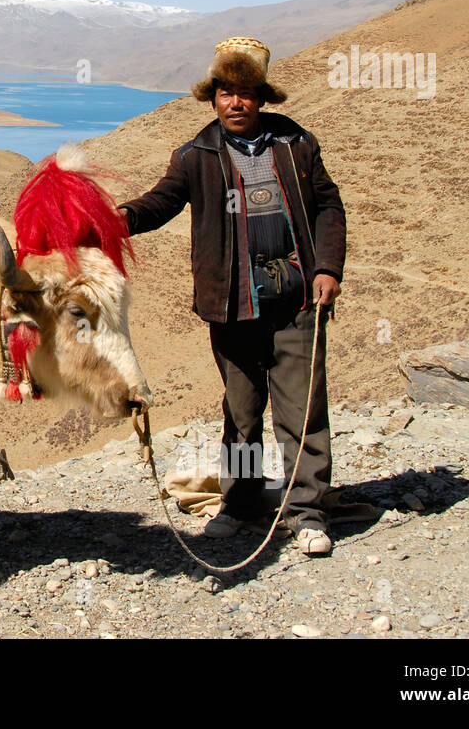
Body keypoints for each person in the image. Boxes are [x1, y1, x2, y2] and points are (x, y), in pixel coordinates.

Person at [118, 37, 346, 555]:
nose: (235, 103)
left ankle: (306, 512)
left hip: (296, 301)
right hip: (233, 305)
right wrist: (118, 220)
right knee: (242, 413)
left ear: (261, 97)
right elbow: (160, 203)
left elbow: (329, 209)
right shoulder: (196, 155)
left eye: (245, 92)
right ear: (213, 97)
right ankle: (240, 504)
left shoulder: (296, 144)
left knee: (303, 410)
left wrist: (327, 268)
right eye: (225, 92)